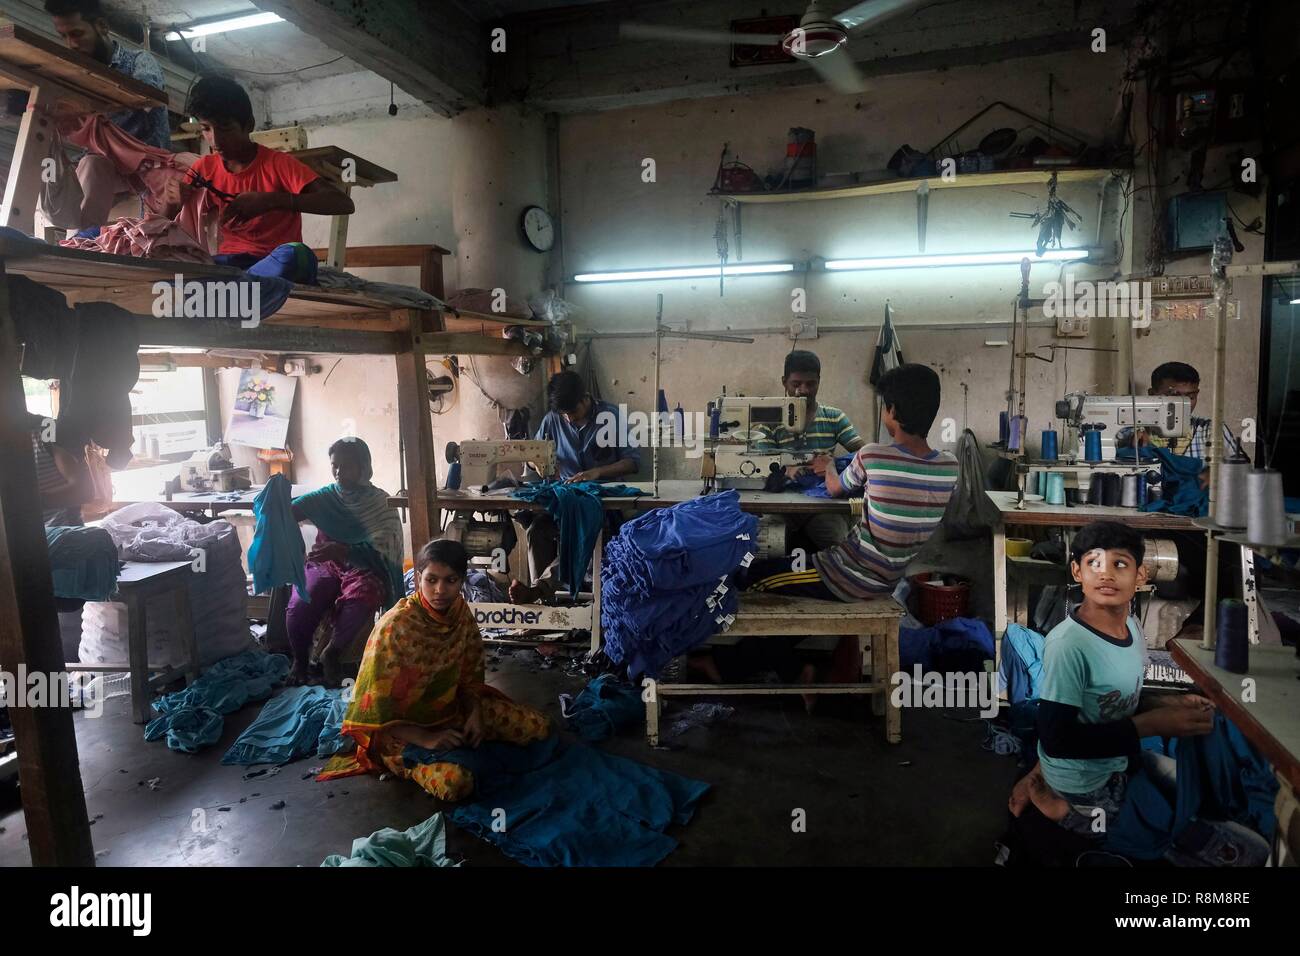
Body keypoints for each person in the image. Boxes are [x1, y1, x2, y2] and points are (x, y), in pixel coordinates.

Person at [1007, 521, 1269, 866]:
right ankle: (1066, 812)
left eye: (1120, 564)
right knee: (1168, 834)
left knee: (1195, 787)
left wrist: (1166, 703)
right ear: (1077, 572)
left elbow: (1116, 698)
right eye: (1094, 563)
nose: (1106, 574)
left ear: (1140, 576)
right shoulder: (1069, 645)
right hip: (1085, 780)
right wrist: (1152, 724)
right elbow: (1057, 738)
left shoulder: (1130, 626)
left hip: (1114, 758)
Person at [698, 364, 958, 707]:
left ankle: (782, 669)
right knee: (783, 578)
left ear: (892, 411)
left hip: (847, 577)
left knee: (746, 578)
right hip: (887, 577)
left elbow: (835, 487)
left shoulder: (873, 455)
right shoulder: (949, 466)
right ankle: (733, 665)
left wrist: (829, 465)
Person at [318, 539, 551, 800]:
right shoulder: (395, 627)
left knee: (538, 728)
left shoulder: (459, 612)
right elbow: (375, 710)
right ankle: (417, 763)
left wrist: (474, 714)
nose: (440, 590)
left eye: (451, 580)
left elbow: (470, 673)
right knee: (457, 784)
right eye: (431, 580)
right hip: (400, 734)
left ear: (462, 580)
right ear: (419, 578)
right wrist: (425, 738)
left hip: (452, 712)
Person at [163, 76, 353, 265]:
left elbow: (343, 203)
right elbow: (164, 224)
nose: (216, 140)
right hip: (230, 261)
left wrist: (272, 201)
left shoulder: (278, 164)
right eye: (206, 128)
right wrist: (171, 201)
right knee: (188, 264)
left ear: (249, 125)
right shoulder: (204, 168)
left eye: (225, 128)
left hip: (276, 260)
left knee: (296, 256)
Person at [509, 370, 640, 604]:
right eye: (564, 414)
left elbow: (632, 462)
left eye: (572, 412)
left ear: (585, 398)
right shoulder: (552, 420)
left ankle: (540, 589)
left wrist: (596, 472)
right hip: (565, 501)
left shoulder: (610, 417)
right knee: (537, 530)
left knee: (583, 531)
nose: (568, 419)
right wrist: (536, 463)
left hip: (602, 505)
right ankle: (546, 605)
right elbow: (531, 454)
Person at [287, 437, 404, 687]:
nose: (339, 472)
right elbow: (287, 513)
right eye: (335, 465)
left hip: (363, 567)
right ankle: (299, 660)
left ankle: (332, 652)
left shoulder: (380, 503)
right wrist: (273, 498)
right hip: (326, 565)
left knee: (364, 595)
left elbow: (384, 550)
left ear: (364, 467)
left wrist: (343, 550)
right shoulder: (326, 497)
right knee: (301, 602)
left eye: (347, 466)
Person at [46, 0, 171, 227]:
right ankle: (81, 241)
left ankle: (80, 239)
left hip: (146, 167)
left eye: (77, 34)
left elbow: (146, 98)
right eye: (63, 36)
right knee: (80, 166)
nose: (71, 44)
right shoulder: (79, 74)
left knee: (92, 164)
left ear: (102, 26)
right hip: (106, 169)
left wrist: (89, 103)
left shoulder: (139, 61)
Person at [752, 350, 865, 552]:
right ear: (784, 382)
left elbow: (864, 455)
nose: (803, 390)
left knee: (839, 548)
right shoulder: (770, 422)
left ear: (819, 382)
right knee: (764, 546)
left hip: (822, 505)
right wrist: (786, 471)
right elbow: (762, 464)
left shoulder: (834, 418)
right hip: (780, 504)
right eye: (796, 384)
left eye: (810, 384)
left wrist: (831, 465)